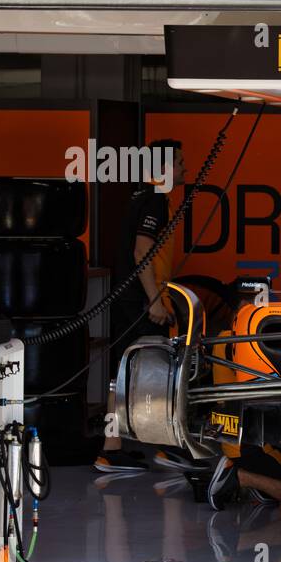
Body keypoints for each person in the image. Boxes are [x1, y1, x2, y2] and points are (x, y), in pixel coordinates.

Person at [95, 139, 185, 473]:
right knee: (158, 370)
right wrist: (155, 300)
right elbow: (141, 251)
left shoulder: (139, 196)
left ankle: (112, 446)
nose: (184, 169)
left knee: (123, 370)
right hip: (141, 299)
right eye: (178, 162)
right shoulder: (155, 200)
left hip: (132, 297)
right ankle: (162, 447)